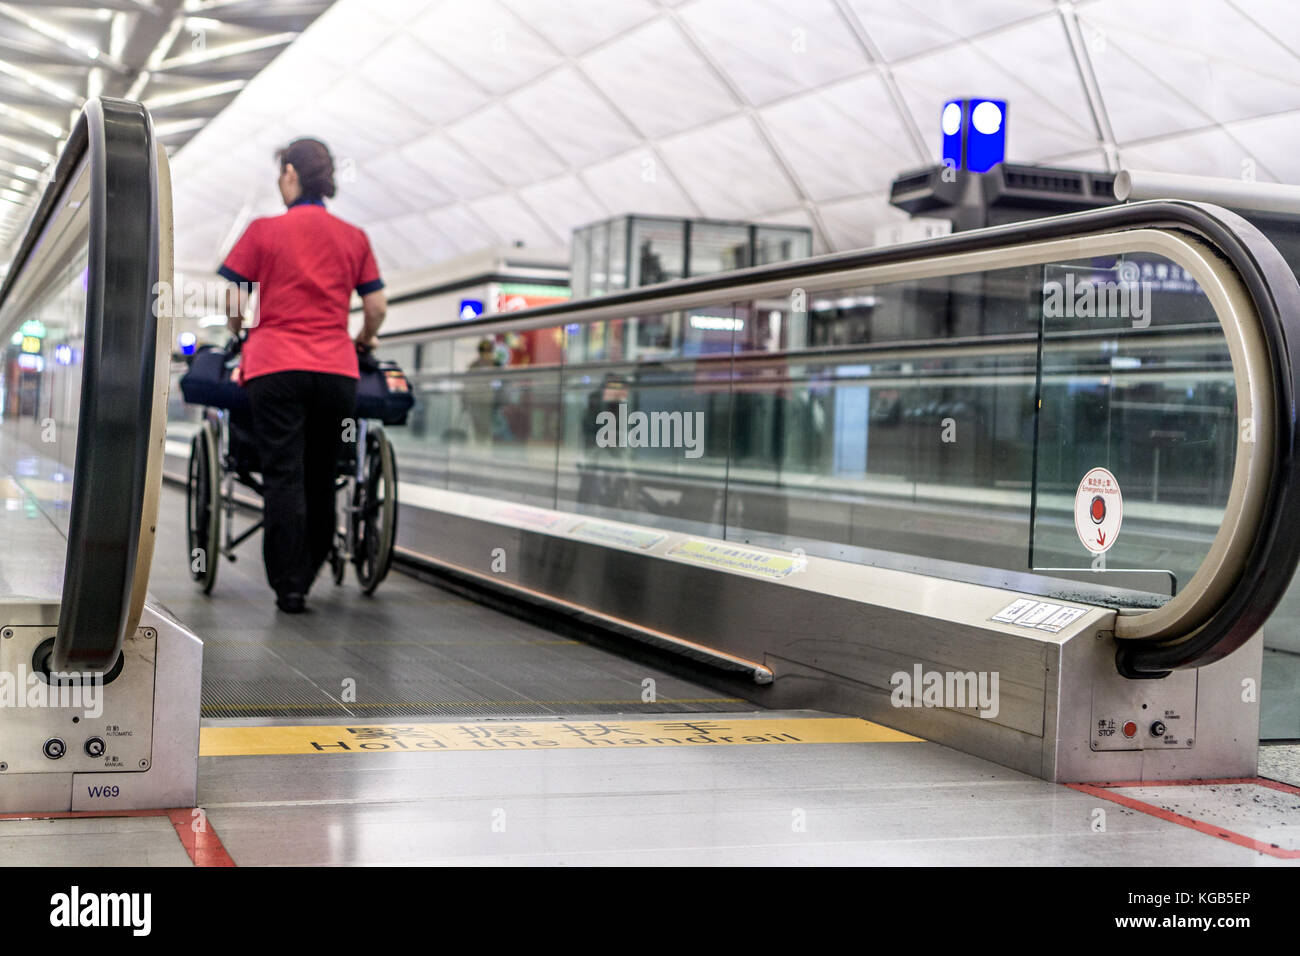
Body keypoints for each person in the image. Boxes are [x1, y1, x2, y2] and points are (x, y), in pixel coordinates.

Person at [219, 137, 387, 613]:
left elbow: (234, 299)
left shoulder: (264, 231)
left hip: (275, 367)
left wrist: (241, 332)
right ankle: (309, 569)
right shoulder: (353, 237)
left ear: (291, 173)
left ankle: (288, 584)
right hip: (336, 370)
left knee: (283, 474)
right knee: (320, 473)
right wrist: (363, 339)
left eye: (280, 175)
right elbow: (375, 307)